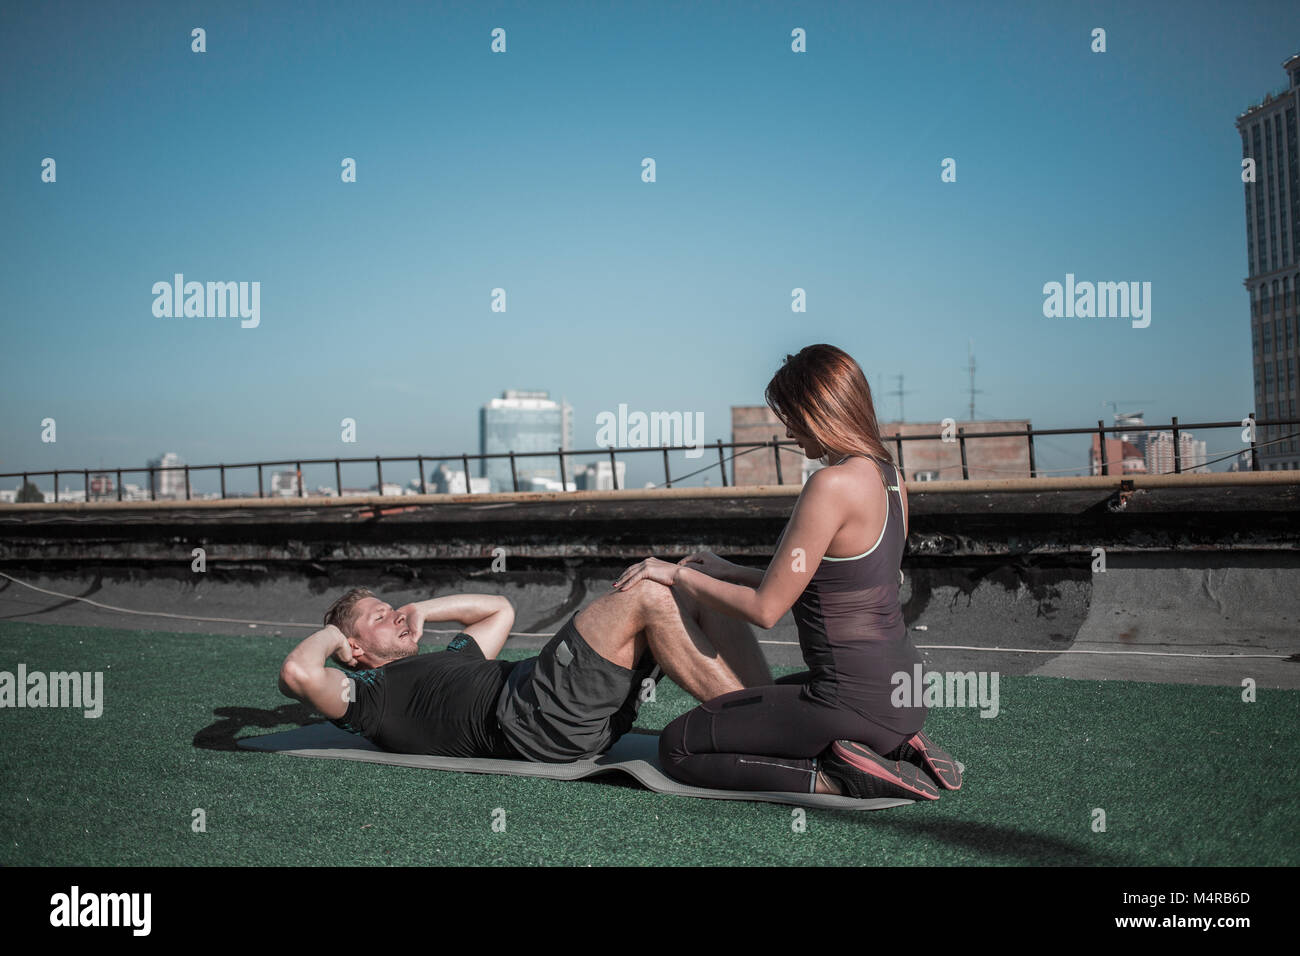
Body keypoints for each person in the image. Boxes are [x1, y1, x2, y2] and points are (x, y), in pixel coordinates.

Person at [613, 344, 962, 800]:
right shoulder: (890, 478)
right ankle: (895, 744)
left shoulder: (829, 485)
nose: (788, 431)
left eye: (792, 416)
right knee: (759, 704)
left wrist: (674, 575)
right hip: (904, 693)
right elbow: (829, 584)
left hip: (850, 699)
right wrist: (728, 570)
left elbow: (766, 610)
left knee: (678, 746)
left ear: (819, 410)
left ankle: (837, 776)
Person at [277, 577, 770, 763]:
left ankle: (775, 710)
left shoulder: (449, 658)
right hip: (536, 714)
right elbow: (299, 673)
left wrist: (423, 606)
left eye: (391, 607)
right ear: (356, 649)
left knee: (693, 588)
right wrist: (335, 640)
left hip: (563, 704)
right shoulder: (368, 696)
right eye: (379, 617)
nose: (396, 616)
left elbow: (499, 610)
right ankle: (760, 728)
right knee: (648, 595)